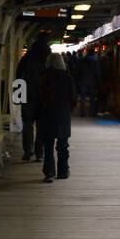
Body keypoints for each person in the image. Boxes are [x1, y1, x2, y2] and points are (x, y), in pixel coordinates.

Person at [36, 52, 78, 183]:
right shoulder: (67, 78)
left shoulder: (42, 77)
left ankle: (49, 173)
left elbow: (37, 97)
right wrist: (67, 110)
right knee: (63, 145)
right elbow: (73, 98)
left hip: (45, 115)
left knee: (48, 146)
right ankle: (63, 172)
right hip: (62, 116)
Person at [16, 34, 51, 161]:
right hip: (43, 98)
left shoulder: (27, 58)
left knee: (27, 124)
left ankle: (28, 151)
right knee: (41, 125)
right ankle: (39, 153)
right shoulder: (49, 58)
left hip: (27, 96)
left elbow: (18, 75)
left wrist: (18, 96)